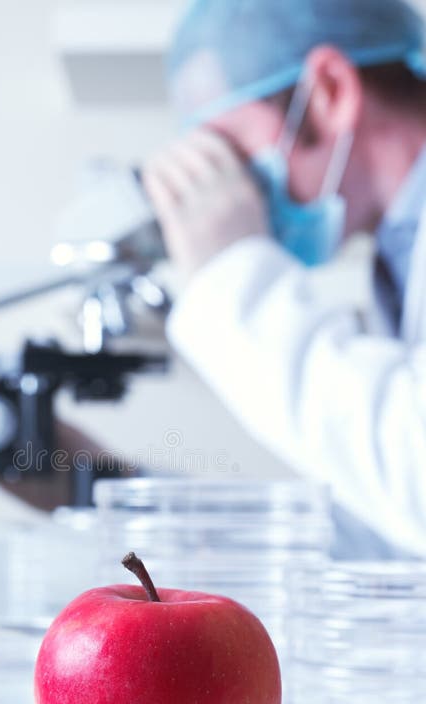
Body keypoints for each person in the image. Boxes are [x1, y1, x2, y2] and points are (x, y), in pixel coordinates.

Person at [143, 0, 426, 558]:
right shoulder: (397, 255)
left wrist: (228, 278)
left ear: (330, 93)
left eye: (229, 154)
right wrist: (115, 490)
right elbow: (389, 531)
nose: (226, 185)